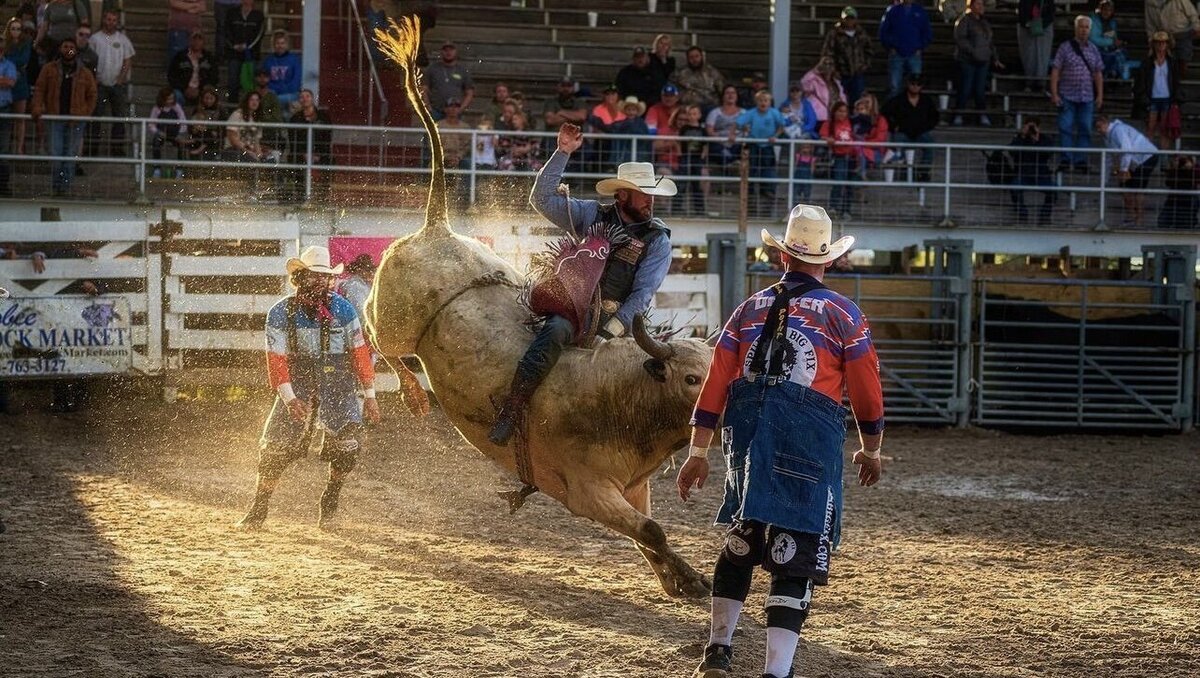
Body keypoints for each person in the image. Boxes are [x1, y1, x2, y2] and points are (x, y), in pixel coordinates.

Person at [678, 203, 884, 678]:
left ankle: (718, 650)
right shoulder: (843, 314)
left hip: (746, 434)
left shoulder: (748, 310)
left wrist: (697, 450)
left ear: (781, 257)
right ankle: (776, 670)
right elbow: (867, 391)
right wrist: (871, 447)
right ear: (827, 259)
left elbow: (716, 382)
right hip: (808, 436)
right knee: (797, 548)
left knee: (742, 537)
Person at [488, 122, 676, 446]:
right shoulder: (592, 214)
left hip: (620, 322)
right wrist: (562, 153)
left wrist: (609, 332)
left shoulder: (657, 241)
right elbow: (542, 200)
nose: (650, 201)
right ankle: (512, 410)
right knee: (555, 331)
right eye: (644, 194)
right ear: (622, 195)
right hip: (576, 310)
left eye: (652, 195)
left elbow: (642, 294)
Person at [235, 245, 382, 531]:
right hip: (299, 382)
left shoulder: (344, 309)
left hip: (338, 383)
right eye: (314, 277)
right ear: (300, 279)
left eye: (324, 277)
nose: (321, 283)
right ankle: (259, 507)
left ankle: (330, 501)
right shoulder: (279, 313)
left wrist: (370, 396)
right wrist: (290, 398)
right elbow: (276, 361)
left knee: (347, 448)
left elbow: (360, 353)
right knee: (274, 449)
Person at [31, 38, 96, 196]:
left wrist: (85, 113)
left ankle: (65, 189)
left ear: (76, 50)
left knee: (69, 156)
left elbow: (92, 94)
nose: (68, 49)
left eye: (71, 47)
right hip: (55, 118)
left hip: (76, 120)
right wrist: (37, 107)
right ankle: (56, 187)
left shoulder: (85, 73)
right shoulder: (49, 69)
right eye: (65, 46)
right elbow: (39, 89)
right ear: (60, 49)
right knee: (56, 155)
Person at [1049, 16, 1104, 174]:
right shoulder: (1065, 47)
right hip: (1067, 95)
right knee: (1065, 127)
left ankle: (1081, 160)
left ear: (1090, 29)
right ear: (1076, 28)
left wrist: (1100, 95)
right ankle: (1066, 159)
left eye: (1086, 27)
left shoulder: (1094, 49)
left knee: (1085, 128)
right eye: (1081, 27)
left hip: (1086, 96)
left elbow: (1098, 73)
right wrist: (1054, 93)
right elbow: (1055, 70)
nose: (1084, 30)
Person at [1095, 115, 1158, 227]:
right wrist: (1104, 180)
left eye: (1100, 127)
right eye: (1097, 128)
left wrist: (1123, 170)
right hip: (1133, 160)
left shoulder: (1118, 130)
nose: (1098, 130)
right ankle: (1131, 216)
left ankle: (1139, 220)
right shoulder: (1107, 137)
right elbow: (1108, 159)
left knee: (1138, 189)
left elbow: (1127, 149)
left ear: (1106, 123)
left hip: (1147, 157)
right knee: (1124, 187)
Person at [88, 10, 134, 156]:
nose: (111, 22)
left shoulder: (123, 39)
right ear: (103, 20)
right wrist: (93, 78)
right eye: (109, 19)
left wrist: (121, 78)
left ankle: (116, 148)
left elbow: (128, 60)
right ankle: (92, 148)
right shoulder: (94, 39)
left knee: (119, 117)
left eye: (114, 20)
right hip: (99, 83)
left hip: (117, 84)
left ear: (117, 22)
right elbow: (89, 60)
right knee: (96, 116)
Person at [736, 90, 787, 217]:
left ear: (770, 102)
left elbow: (782, 126)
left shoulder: (774, 113)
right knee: (752, 175)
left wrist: (775, 136)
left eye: (766, 100)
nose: (763, 103)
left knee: (768, 175)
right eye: (760, 100)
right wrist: (745, 129)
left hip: (768, 147)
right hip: (754, 146)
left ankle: (767, 211)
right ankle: (750, 210)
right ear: (756, 102)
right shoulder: (752, 113)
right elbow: (738, 123)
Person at [881, 73, 939, 181]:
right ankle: (903, 172)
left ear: (922, 86)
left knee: (930, 144)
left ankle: (923, 172)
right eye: (913, 83)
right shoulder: (898, 99)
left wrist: (927, 127)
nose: (915, 86)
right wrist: (893, 127)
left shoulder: (926, 100)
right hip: (903, 132)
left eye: (918, 84)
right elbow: (884, 113)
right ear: (908, 84)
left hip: (921, 132)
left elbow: (935, 116)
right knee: (897, 145)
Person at [953, 0, 1001, 126]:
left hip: (983, 60)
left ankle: (982, 114)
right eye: (978, 4)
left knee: (980, 89)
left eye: (982, 4)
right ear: (971, 6)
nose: (981, 7)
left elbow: (990, 42)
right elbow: (961, 39)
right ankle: (959, 113)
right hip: (968, 60)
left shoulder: (985, 23)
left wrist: (995, 57)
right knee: (966, 88)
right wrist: (972, 51)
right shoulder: (964, 21)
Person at [1134, 32, 1184, 150]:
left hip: (1167, 99)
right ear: (1154, 44)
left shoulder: (1172, 62)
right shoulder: (1147, 62)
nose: (1161, 45)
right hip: (1152, 99)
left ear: (1167, 44)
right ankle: (1147, 156)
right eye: (1158, 42)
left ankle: (1163, 161)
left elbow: (1176, 82)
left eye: (1164, 42)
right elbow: (1141, 81)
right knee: (1150, 128)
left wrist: (1176, 99)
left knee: (1164, 130)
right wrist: (1144, 98)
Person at [1007, 116, 1058, 225]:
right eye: (1028, 126)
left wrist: (1037, 140)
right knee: (1014, 188)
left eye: (1033, 126)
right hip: (1023, 174)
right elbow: (1012, 152)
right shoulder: (1019, 138)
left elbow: (1048, 153)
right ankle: (1022, 214)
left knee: (1054, 190)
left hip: (1041, 175)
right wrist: (1022, 136)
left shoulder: (1045, 139)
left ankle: (1045, 215)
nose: (1031, 129)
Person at [878, 0, 933, 98]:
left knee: (916, 84)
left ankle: (913, 109)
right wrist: (890, 46)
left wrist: (920, 47)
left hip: (914, 53)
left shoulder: (920, 11)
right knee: (894, 86)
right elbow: (883, 32)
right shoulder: (892, 11)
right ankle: (894, 110)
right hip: (896, 54)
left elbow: (927, 32)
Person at [821, 6, 874, 106]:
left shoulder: (861, 33)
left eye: (851, 18)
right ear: (842, 19)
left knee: (857, 101)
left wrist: (865, 65)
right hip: (840, 74)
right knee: (840, 100)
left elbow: (869, 50)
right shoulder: (834, 34)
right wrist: (833, 70)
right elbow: (827, 53)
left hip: (857, 73)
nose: (849, 21)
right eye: (847, 18)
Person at [287, 88, 333, 200]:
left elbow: (327, 138)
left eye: (307, 96)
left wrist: (318, 154)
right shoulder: (295, 118)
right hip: (300, 153)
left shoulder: (323, 117)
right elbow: (293, 140)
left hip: (319, 152)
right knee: (294, 160)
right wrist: (303, 153)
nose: (305, 99)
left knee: (329, 160)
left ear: (312, 99)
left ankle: (323, 193)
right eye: (302, 97)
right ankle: (300, 193)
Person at [781, 83, 819, 202]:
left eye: (797, 91)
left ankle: (806, 195)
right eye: (793, 91)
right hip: (790, 136)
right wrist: (791, 129)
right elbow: (782, 120)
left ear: (801, 92)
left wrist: (803, 129)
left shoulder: (807, 104)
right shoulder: (784, 105)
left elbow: (812, 120)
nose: (795, 93)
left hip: (805, 134)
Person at [822, 101, 859, 219]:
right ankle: (833, 207)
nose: (842, 114)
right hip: (839, 156)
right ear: (834, 112)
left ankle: (846, 210)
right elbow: (822, 135)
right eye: (840, 111)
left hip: (852, 156)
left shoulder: (850, 123)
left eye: (844, 111)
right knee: (838, 182)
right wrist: (829, 139)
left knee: (849, 185)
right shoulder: (830, 124)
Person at [223, 0, 265, 103]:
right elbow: (226, 31)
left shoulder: (259, 15)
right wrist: (234, 45)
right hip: (234, 54)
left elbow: (260, 33)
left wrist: (248, 46)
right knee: (233, 83)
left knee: (251, 84)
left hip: (251, 55)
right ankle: (232, 108)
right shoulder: (231, 13)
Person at [1144, 0, 1199, 78]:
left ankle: (1180, 78)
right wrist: (1150, 38)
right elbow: (1149, 23)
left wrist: (1197, 27)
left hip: (1182, 32)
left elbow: (1192, 14)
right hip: (1163, 35)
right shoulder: (1149, 2)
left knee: (1183, 58)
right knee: (1163, 60)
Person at [423, 40, 474, 119]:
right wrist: (428, 107)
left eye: (451, 50)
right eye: (445, 50)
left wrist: (461, 109)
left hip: (455, 112)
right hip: (436, 111)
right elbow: (424, 90)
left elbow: (469, 93)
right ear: (441, 52)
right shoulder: (432, 69)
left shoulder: (463, 71)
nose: (448, 52)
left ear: (456, 52)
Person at [167, 30, 218, 108]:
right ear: (189, 41)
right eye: (194, 39)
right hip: (182, 90)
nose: (196, 42)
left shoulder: (209, 58)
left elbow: (214, 77)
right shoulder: (180, 57)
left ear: (203, 41)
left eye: (199, 39)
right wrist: (184, 88)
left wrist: (201, 89)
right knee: (175, 95)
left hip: (202, 91)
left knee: (210, 96)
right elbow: (172, 76)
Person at [3, 18, 32, 155]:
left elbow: (24, 60)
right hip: (6, 83)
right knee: (6, 119)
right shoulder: (5, 44)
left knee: (20, 118)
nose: (15, 31)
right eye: (13, 28)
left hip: (20, 83)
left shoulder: (25, 44)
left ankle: (19, 148)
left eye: (18, 29)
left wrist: (9, 62)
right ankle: (6, 146)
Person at [1017, 0, 1057, 91]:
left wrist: (1040, 24)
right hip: (1027, 28)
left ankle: (1041, 82)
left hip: (1044, 27)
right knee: (1029, 55)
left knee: (1043, 55)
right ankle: (1029, 82)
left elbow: (1051, 14)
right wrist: (1028, 24)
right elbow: (1021, 14)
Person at [148, 87, 187, 178]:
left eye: (172, 99)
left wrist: (180, 133)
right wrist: (158, 132)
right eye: (168, 99)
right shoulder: (157, 108)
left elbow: (183, 121)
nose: (170, 101)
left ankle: (179, 170)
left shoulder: (177, 107)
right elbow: (151, 124)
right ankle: (157, 168)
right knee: (156, 143)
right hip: (162, 133)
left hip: (175, 134)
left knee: (181, 145)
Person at [672, 44, 725, 111]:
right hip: (688, 108)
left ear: (701, 57)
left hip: (709, 106)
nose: (694, 59)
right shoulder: (680, 73)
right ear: (687, 59)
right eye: (691, 57)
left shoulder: (712, 72)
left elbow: (723, 90)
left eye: (697, 56)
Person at [704, 84, 743, 174]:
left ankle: (729, 163)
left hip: (737, 144)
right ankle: (730, 163)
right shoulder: (714, 112)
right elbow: (710, 131)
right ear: (723, 96)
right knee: (715, 148)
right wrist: (721, 139)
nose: (730, 95)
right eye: (727, 93)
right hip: (720, 144)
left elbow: (748, 130)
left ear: (737, 96)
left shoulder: (744, 113)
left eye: (733, 93)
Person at [262, 30, 301, 112]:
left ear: (287, 44)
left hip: (291, 94)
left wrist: (279, 91)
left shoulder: (294, 59)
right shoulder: (268, 60)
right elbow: (265, 81)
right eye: (277, 43)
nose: (280, 46)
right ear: (273, 45)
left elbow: (296, 82)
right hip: (273, 94)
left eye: (282, 43)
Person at [800, 56, 845, 125]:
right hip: (820, 116)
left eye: (830, 64)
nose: (828, 66)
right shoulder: (815, 81)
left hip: (834, 116)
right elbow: (804, 84)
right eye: (825, 64)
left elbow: (842, 97)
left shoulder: (836, 82)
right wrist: (814, 71)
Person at [1089, 0, 1128, 80]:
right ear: (1100, 10)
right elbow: (1093, 39)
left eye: (1109, 10)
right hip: (1095, 49)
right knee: (1108, 57)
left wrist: (1116, 43)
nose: (1107, 12)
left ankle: (1116, 76)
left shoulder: (1112, 22)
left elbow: (1113, 37)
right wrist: (1112, 42)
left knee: (1121, 53)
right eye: (1105, 9)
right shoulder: (1093, 20)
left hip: (1109, 49)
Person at [1158, 154, 1198, 229]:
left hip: (1188, 200)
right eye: (1178, 160)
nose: (1181, 162)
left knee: (1185, 223)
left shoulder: (1193, 171)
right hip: (1173, 200)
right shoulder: (1174, 171)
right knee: (1162, 222)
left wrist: (1192, 167)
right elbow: (1168, 182)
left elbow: (1195, 180)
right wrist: (1174, 169)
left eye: (1184, 160)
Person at [187, 85, 223, 164]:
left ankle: (204, 145)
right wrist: (196, 128)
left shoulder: (220, 111)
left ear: (215, 99)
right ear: (202, 98)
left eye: (211, 98)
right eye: (206, 98)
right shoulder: (197, 109)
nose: (208, 101)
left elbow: (223, 128)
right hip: (199, 134)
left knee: (212, 135)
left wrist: (212, 130)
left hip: (214, 139)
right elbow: (191, 125)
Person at [167, 0, 204, 65]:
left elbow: (203, 7)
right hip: (178, 28)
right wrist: (194, 5)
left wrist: (186, 5)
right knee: (177, 57)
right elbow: (174, 3)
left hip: (195, 29)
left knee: (194, 59)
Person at [0, 50, 16, 196]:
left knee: (3, 149)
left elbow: (10, 82)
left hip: (4, 110)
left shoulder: (9, 64)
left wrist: (5, 81)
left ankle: (3, 185)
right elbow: (5, 81)